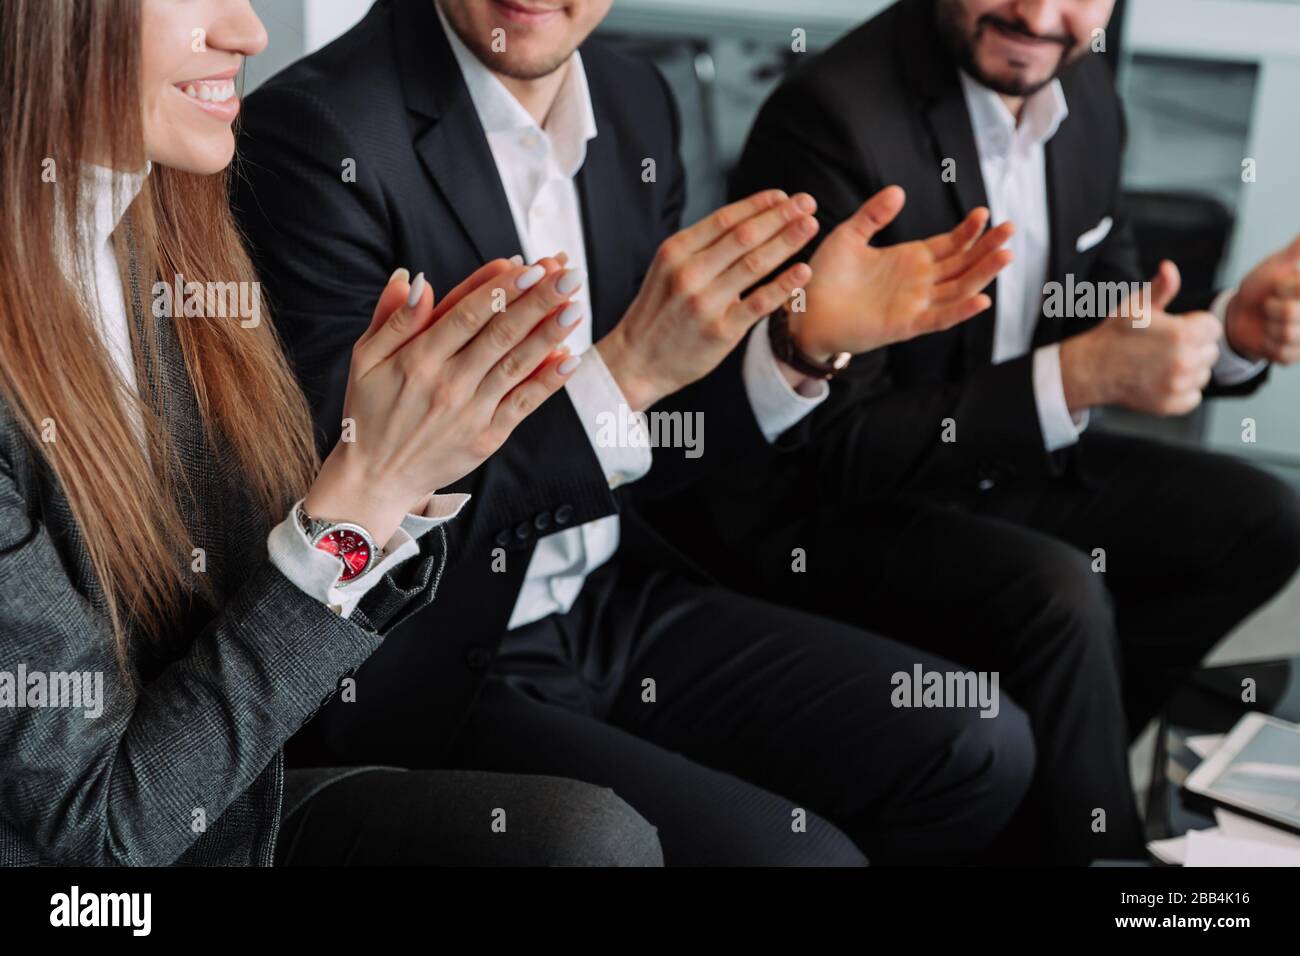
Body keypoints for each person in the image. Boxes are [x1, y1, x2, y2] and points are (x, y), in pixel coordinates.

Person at [234, 0, 1030, 865]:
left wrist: (800, 345)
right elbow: (346, 522)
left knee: (977, 744)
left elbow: (652, 437)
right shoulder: (316, 132)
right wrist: (632, 369)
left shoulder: (632, 96)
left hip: (616, 600)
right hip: (438, 658)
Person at [0, 0, 663, 868]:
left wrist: (402, 465)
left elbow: (250, 607)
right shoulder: (309, 139)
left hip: (237, 805)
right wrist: (363, 496)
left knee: (594, 842)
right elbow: (98, 838)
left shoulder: (165, 237)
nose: (248, 32)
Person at [691, 0, 1300, 863]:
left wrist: (1231, 331)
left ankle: (1047, 787)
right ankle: (1105, 859)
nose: (1040, 14)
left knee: (1263, 519)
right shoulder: (830, 116)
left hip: (1002, 460)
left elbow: (1112, 312)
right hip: (827, 505)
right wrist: (1077, 378)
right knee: (1057, 597)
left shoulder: (1081, 91)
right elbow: (828, 443)